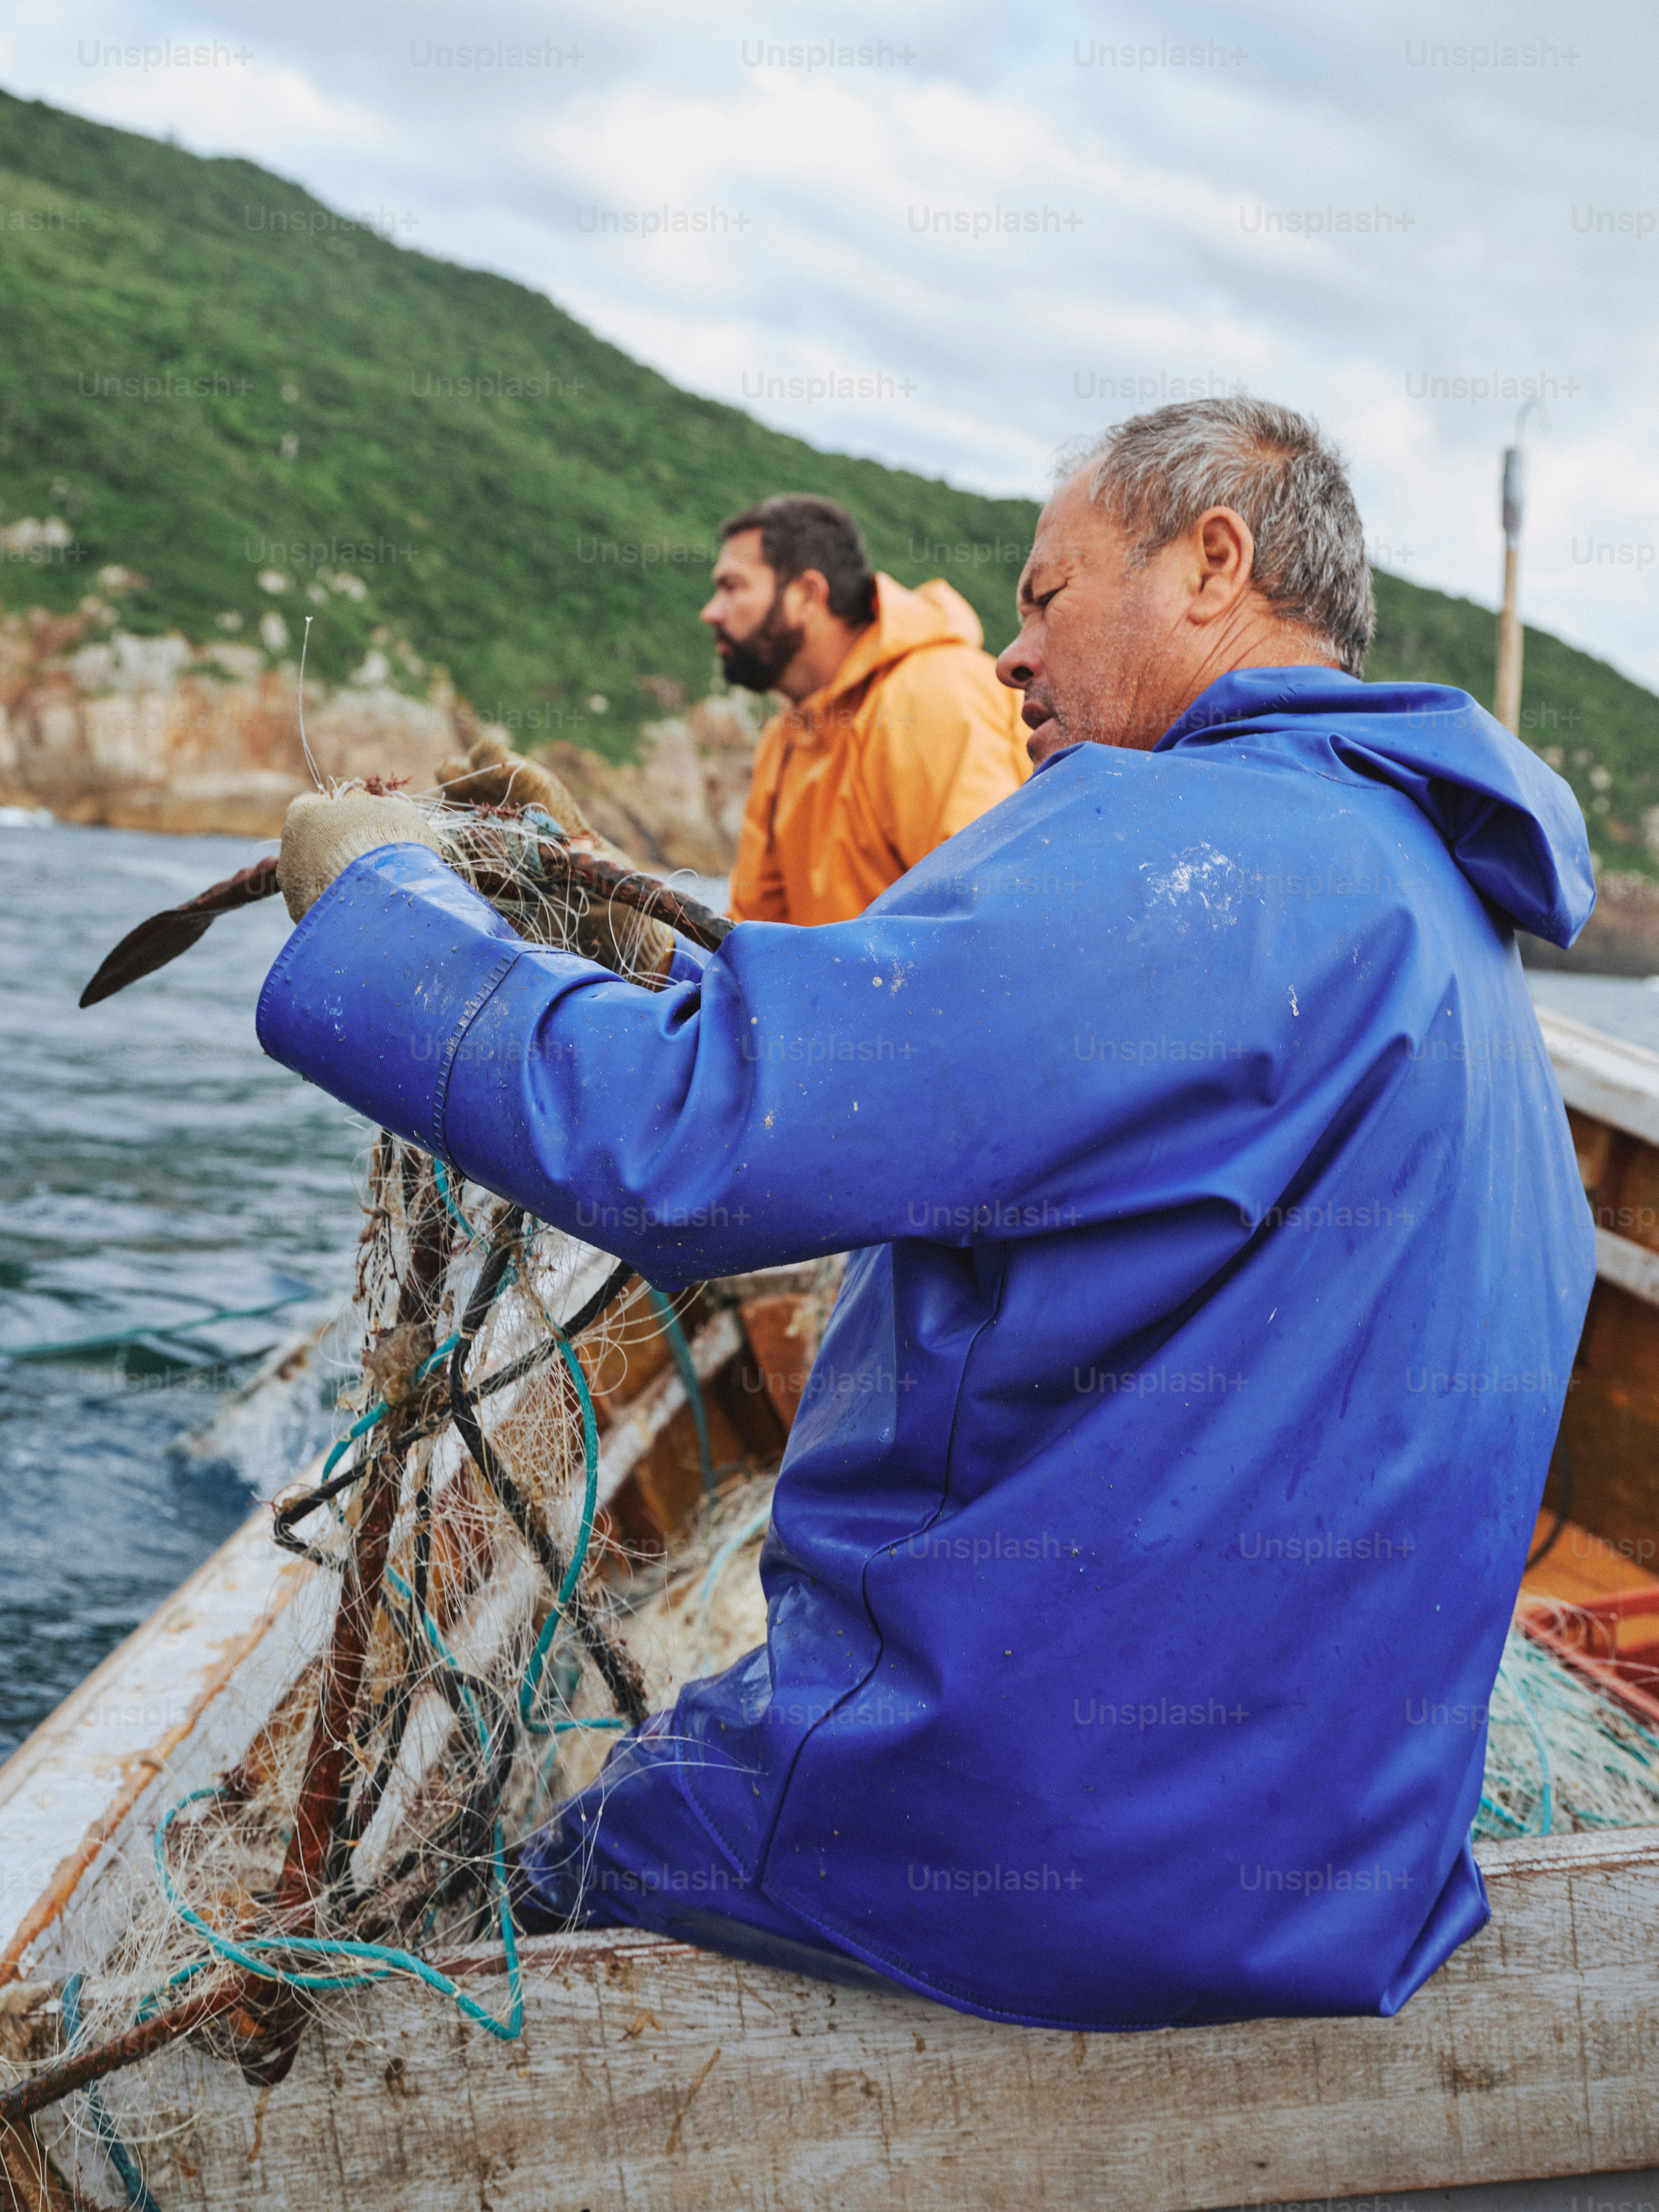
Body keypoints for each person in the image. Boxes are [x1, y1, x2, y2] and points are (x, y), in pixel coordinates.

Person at [261, 397, 1594, 2031]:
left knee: (552, 1872)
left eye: (1041, 599)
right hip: (1343, 1862)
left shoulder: (1172, 849)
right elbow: (938, 1038)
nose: (1010, 660)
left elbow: (679, 1142)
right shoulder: (1426, 890)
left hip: (1030, 1841)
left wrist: (389, 908)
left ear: (1212, 562)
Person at [704, 495, 1030, 924]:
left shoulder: (930, 694)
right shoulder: (786, 734)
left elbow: (990, 919)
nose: (711, 613)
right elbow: (752, 937)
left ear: (807, 595)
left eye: (732, 587)